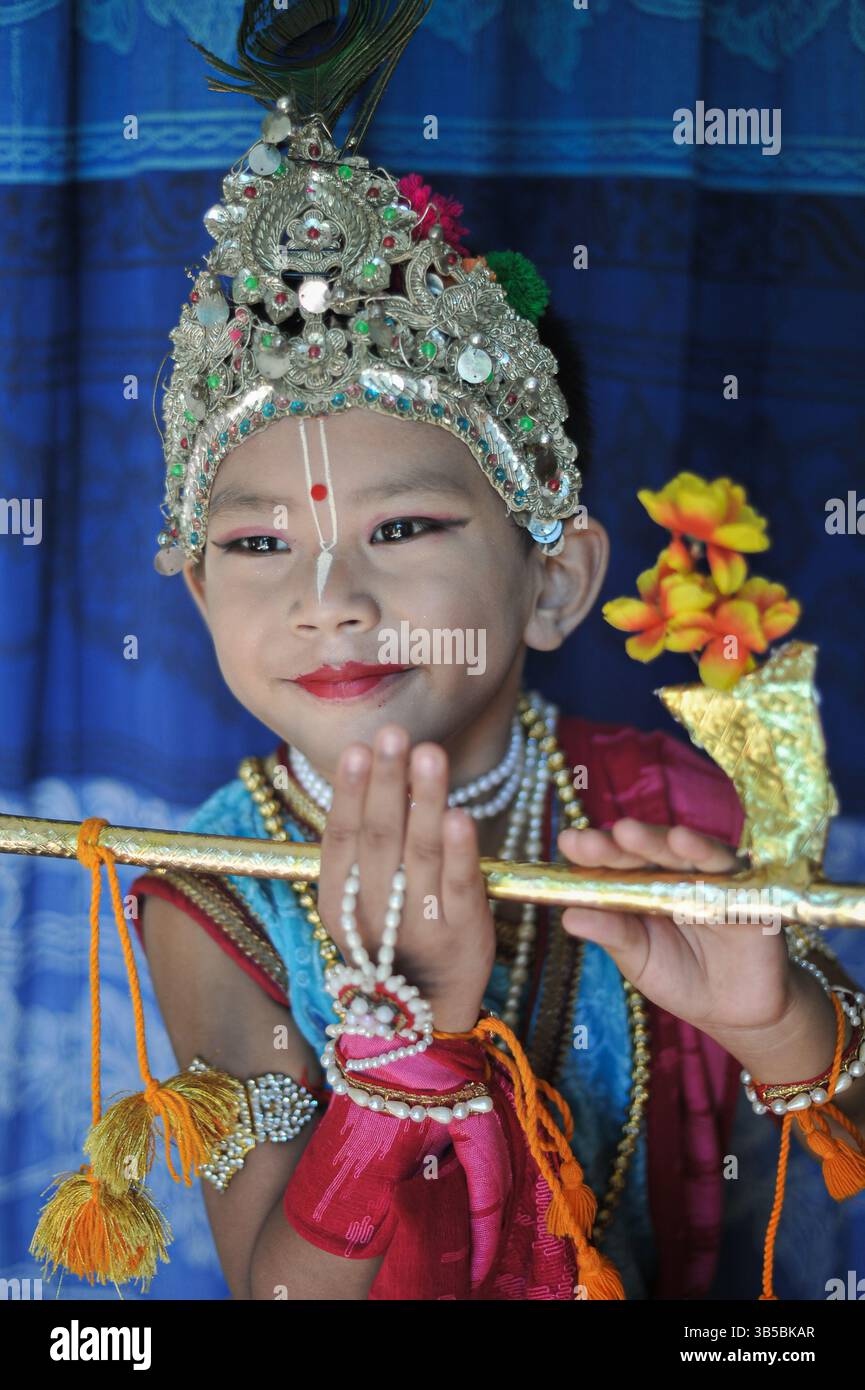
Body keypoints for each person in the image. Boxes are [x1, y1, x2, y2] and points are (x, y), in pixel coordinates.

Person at [41, 0, 865, 1302]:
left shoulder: (678, 812)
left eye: (405, 526)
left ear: (555, 579)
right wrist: (391, 1065)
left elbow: (820, 1203)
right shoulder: (216, 892)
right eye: (256, 548)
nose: (328, 598)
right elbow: (272, 1289)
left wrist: (773, 1028)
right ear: (195, 595)